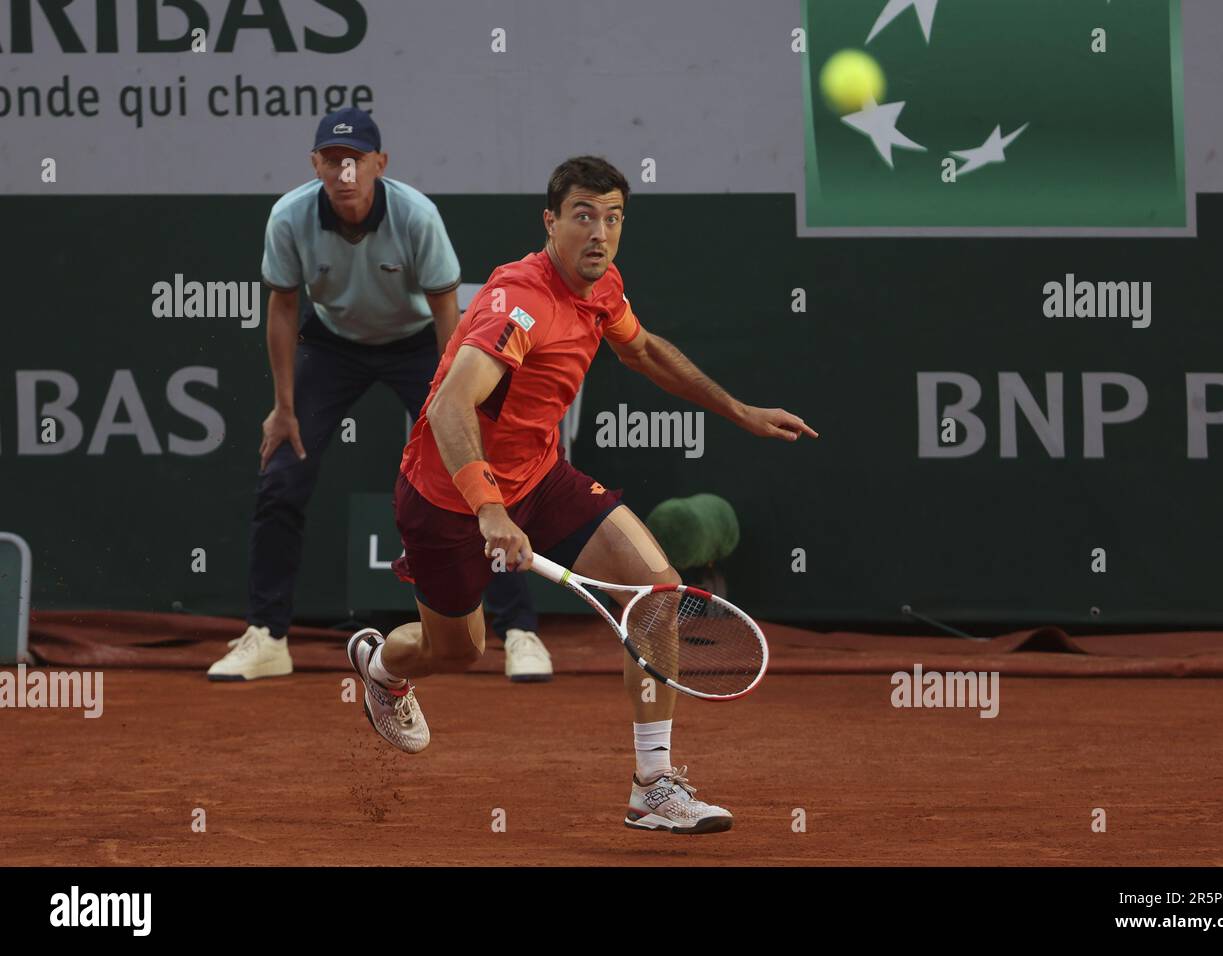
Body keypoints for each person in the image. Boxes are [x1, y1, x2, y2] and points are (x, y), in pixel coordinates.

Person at [345, 156, 817, 832]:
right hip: (447, 497)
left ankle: (653, 786)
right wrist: (489, 509)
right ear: (551, 222)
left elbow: (643, 351)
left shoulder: (602, 287)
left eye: (613, 218)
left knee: (657, 593)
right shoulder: (520, 302)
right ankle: (382, 668)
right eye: (584, 216)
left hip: (541, 476)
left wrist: (738, 410)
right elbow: (450, 406)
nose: (600, 233)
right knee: (458, 651)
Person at [207, 108, 552, 684]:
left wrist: (455, 404)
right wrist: (284, 408)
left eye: (356, 160)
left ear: (379, 164)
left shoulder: (416, 216)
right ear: (315, 165)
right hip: (331, 345)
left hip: (419, 345)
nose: (344, 173)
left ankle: (519, 631)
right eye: (332, 160)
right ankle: (267, 636)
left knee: (472, 473)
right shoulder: (289, 217)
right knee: (282, 475)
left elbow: (447, 313)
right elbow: (283, 308)